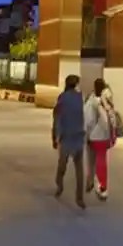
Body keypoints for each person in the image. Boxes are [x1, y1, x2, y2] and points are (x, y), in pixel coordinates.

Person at [51, 74, 87, 209]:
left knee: (62, 165)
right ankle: (79, 198)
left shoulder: (62, 98)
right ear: (76, 84)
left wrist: (55, 136)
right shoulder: (80, 98)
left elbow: (57, 118)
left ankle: (59, 185)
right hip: (78, 136)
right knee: (79, 170)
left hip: (66, 137)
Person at [83, 78, 116, 201]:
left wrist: (89, 133)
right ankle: (100, 185)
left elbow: (89, 120)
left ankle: (95, 183)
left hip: (95, 136)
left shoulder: (93, 101)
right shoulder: (106, 101)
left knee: (92, 160)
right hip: (104, 137)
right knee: (101, 160)